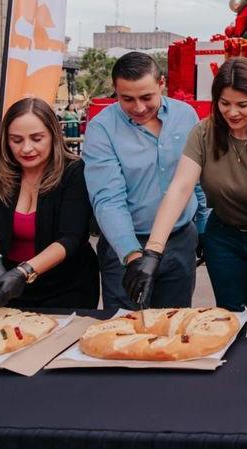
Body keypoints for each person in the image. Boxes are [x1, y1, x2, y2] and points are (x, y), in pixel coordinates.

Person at [144, 58, 247, 313]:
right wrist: (153, 251)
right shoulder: (203, 134)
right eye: (224, 103)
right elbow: (180, 188)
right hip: (224, 236)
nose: (232, 113)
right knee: (229, 315)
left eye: (242, 105)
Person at [83, 52, 209, 309]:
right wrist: (132, 255)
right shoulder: (101, 129)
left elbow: (194, 181)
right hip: (127, 246)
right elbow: (108, 199)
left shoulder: (185, 116)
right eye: (127, 99)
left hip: (180, 242)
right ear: (115, 91)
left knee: (174, 328)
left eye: (146, 97)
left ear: (161, 83)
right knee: (125, 329)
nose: (138, 107)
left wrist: (204, 228)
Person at [0, 98, 99, 308]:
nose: (26, 148)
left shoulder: (74, 171)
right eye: (16, 140)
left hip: (66, 285)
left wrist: (25, 271)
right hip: (6, 284)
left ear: (53, 136)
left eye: (37, 139)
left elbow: (71, 237)